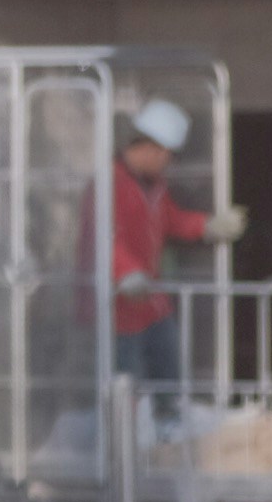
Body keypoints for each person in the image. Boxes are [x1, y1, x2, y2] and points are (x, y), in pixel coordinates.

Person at [104, 96, 244, 389]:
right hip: (117, 304)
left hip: (150, 300)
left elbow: (170, 219)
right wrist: (126, 271)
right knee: (125, 381)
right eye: (166, 154)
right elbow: (103, 239)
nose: (167, 163)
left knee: (169, 372)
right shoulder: (108, 184)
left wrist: (209, 226)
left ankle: (169, 424)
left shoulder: (153, 186)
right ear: (149, 147)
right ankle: (128, 430)